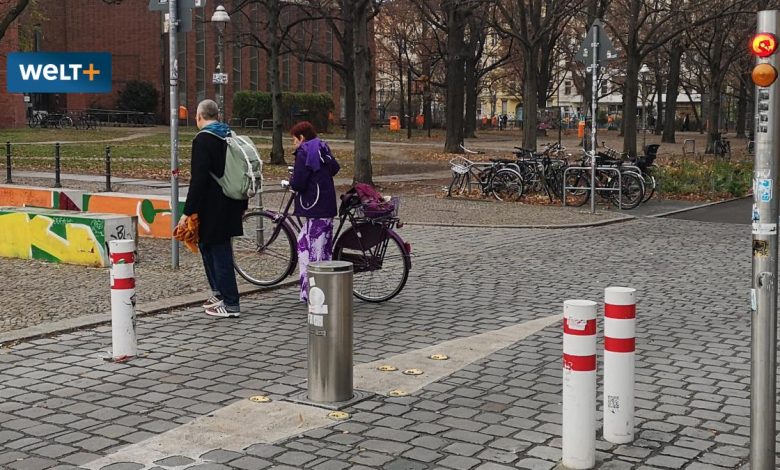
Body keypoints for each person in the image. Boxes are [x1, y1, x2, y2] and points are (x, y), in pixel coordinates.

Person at [178, 99, 247, 318]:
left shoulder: (203, 139)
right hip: (231, 201)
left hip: (213, 207)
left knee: (220, 252)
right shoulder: (229, 135)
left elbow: (198, 180)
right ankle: (218, 293)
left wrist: (187, 212)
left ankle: (231, 303)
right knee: (208, 246)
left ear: (199, 117)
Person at [289, 121, 340, 302]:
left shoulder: (304, 152)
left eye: (294, 140)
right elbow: (335, 168)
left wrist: (291, 182)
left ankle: (314, 293)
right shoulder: (321, 146)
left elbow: (299, 182)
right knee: (319, 248)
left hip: (315, 205)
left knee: (312, 251)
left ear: (301, 138)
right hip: (327, 204)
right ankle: (318, 289)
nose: (293, 143)